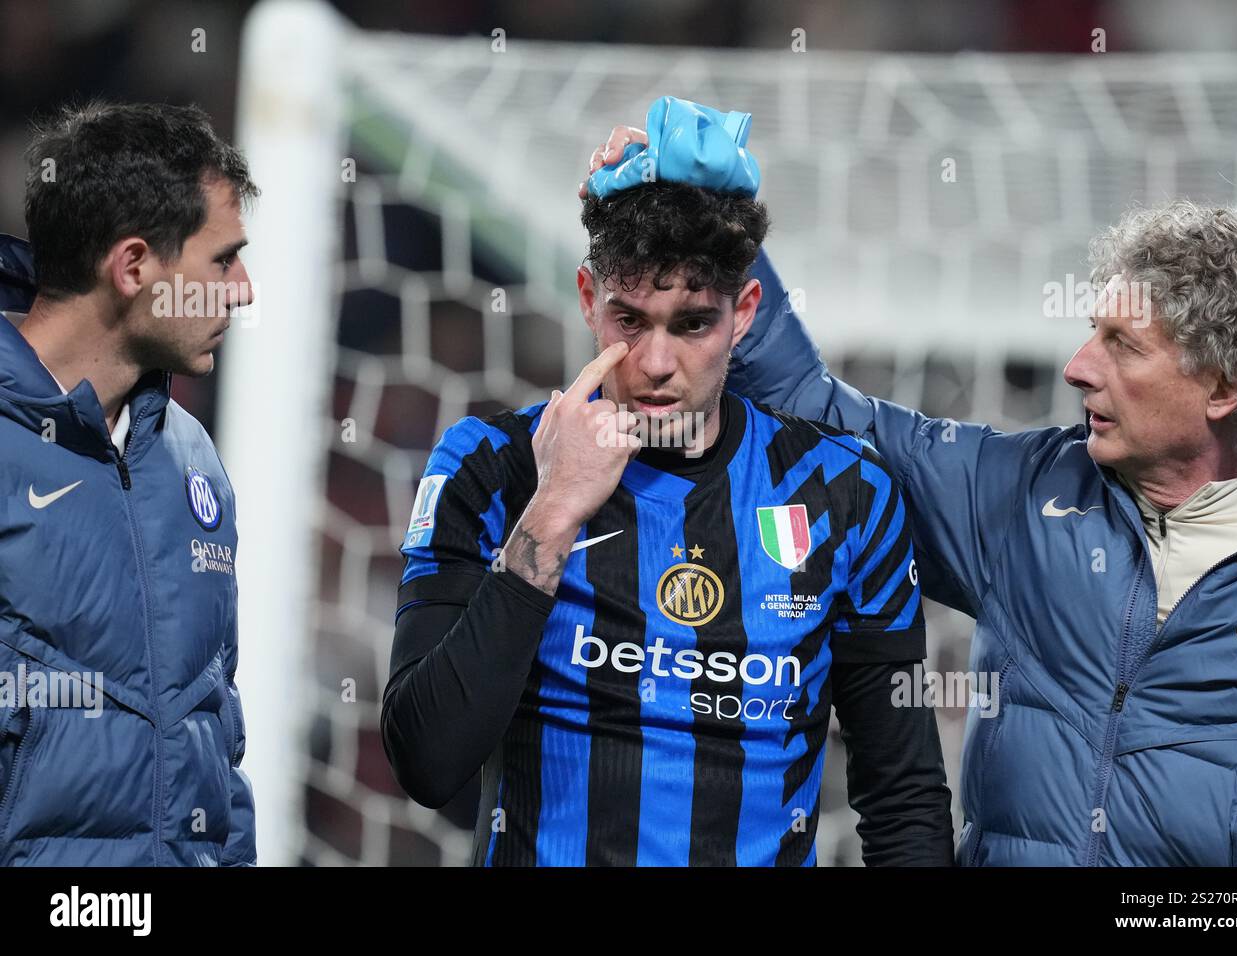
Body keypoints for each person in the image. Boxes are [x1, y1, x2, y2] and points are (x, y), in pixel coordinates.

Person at [587, 120, 1237, 866]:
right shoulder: (1025, 495)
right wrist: (710, 205)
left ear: (1225, 386)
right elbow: (812, 406)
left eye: (1123, 346)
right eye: (1093, 332)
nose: (1078, 367)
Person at [382, 99, 953, 866]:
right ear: (588, 299)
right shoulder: (490, 465)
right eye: (629, 320)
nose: (654, 363)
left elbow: (903, 796)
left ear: (744, 313)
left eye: (691, 323)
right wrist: (551, 514)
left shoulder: (843, 492)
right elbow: (426, 763)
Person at [0, 101, 257, 865]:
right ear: (135, 266)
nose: (243, 290)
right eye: (222, 260)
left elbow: (218, 732)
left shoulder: (190, 455)